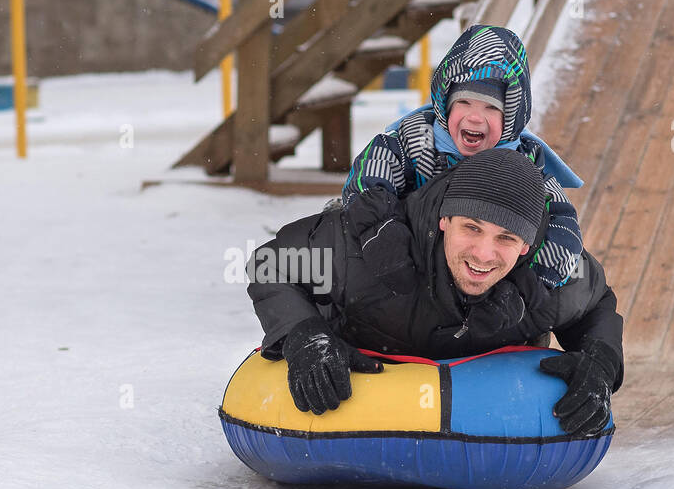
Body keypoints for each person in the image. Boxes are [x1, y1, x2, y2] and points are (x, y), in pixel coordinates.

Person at [247, 149, 624, 436]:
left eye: (506, 238)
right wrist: (304, 335)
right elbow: (270, 264)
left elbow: (596, 304)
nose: (483, 254)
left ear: (526, 245)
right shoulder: (366, 247)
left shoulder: (550, 275)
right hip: (366, 347)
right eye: (471, 228)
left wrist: (600, 362)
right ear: (445, 220)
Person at [344, 25, 583, 291]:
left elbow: (562, 223)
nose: (474, 117)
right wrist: (387, 243)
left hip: (488, 280)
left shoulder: (523, 163)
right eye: (464, 103)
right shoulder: (412, 142)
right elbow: (368, 185)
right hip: (411, 272)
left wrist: (526, 287)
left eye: (491, 108)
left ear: (511, 117)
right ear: (445, 104)